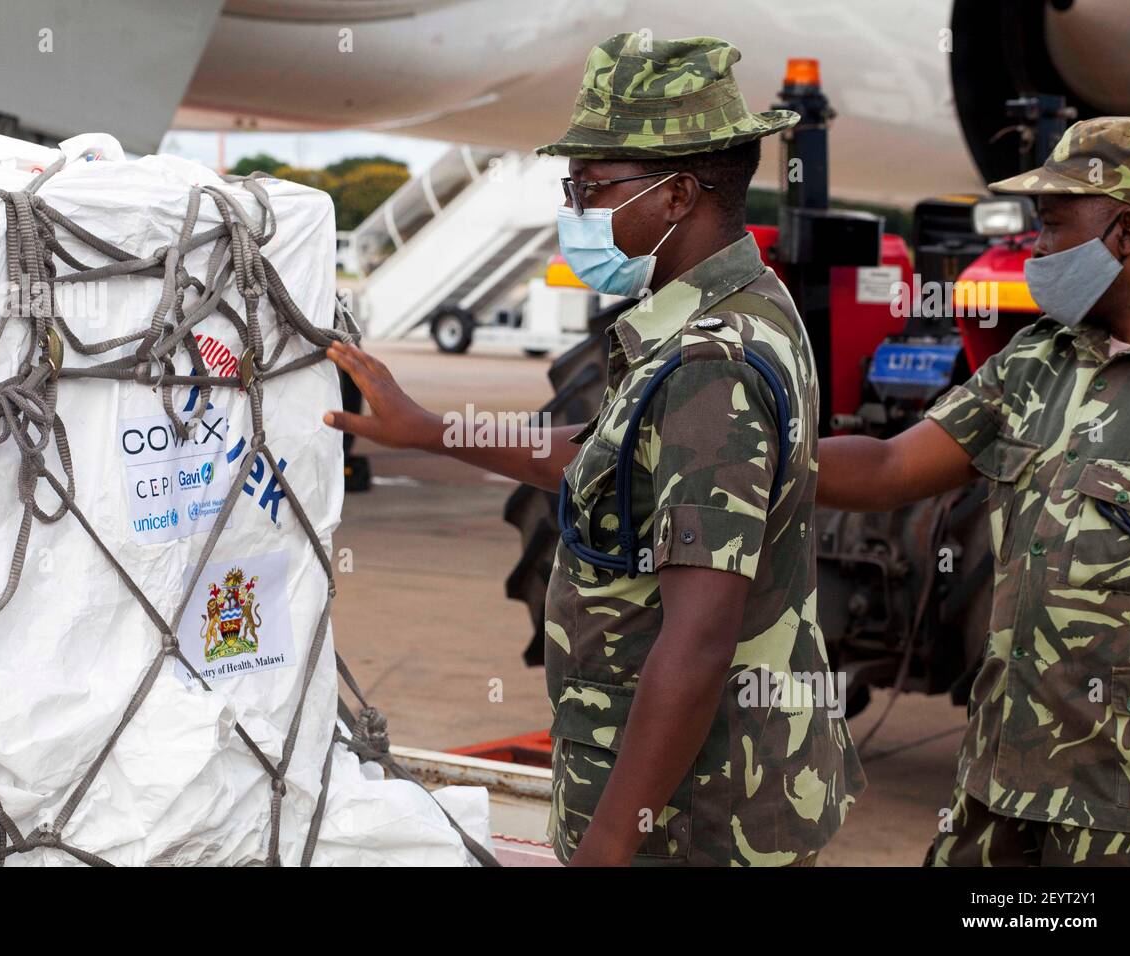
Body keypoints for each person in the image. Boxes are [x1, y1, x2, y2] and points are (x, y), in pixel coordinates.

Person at [325, 32, 864, 866]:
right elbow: (607, 456)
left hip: (693, 820)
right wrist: (432, 428)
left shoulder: (708, 364)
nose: (574, 207)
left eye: (591, 186)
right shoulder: (741, 303)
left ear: (676, 193)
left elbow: (699, 639)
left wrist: (608, 846)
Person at [818, 116, 1130, 865]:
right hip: (999, 792)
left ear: (1125, 231)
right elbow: (890, 468)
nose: (1037, 251)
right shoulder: (1037, 361)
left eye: (1053, 225)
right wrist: (744, 460)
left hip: (1121, 814)